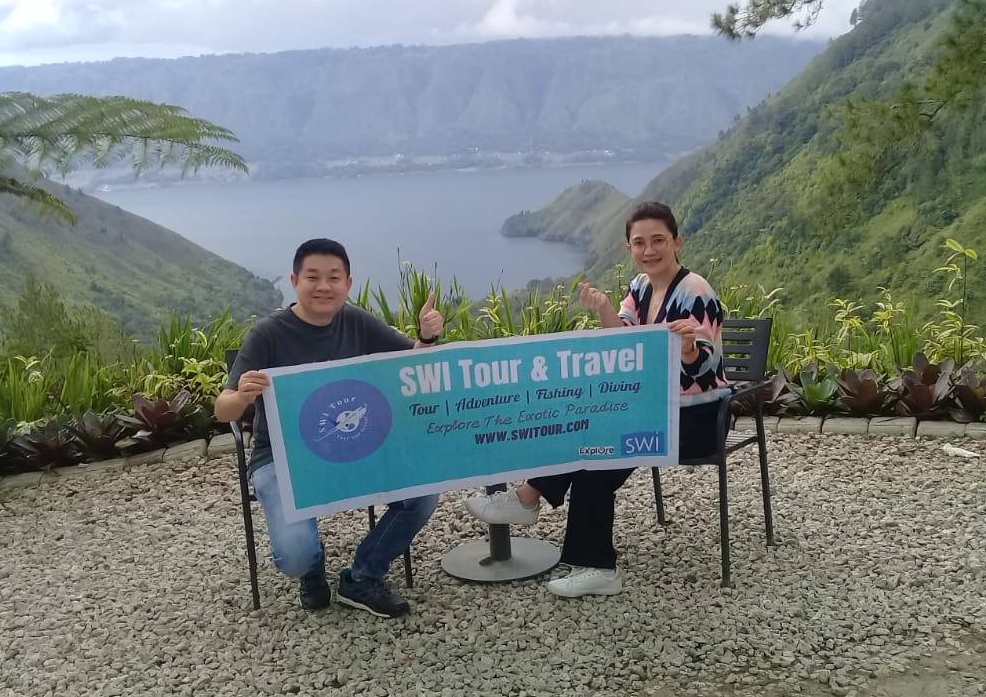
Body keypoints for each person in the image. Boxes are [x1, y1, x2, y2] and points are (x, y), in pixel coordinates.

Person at [465, 202, 731, 598]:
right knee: (587, 432)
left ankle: (571, 541)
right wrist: (606, 308)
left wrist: (689, 349)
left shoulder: (695, 291)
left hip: (696, 419)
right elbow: (621, 344)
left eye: (658, 240)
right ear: (628, 248)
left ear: (677, 242)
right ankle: (547, 517)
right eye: (639, 242)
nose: (649, 250)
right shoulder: (640, 288)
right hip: (650, 411)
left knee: (598, 453)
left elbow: (704, 368)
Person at [215, 238, 444, 619]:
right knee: (294, 556)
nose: (324, 286)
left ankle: (363, 575)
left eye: (334, 277)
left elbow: (414, 366)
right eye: (313, 277)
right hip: (282, 457)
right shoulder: (268, 334)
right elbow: (222, 410)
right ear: (295, 281)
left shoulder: (354, 320)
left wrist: (427, 336)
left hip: (356, 445)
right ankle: (311, 567)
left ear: (348, 284)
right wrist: (240, 398)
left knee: (421, 495)